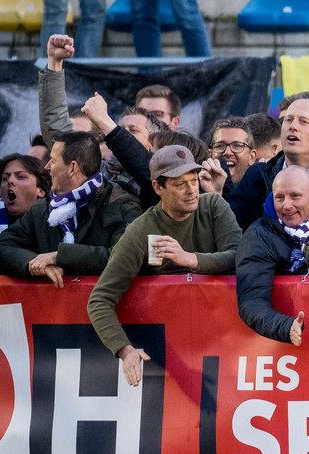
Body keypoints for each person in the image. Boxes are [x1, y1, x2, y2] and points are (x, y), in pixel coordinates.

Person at [88, 145, 241, 386]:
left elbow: (239, 258)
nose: (192, 190)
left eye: (193, 180)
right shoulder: (140, 230)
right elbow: (99, 300)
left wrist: (191, 259)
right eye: (180, 184)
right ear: (158, 188)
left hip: (226, 340)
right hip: (168, 354)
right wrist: (125, 350)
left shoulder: (212, 205)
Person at [0, 130, 139, 285]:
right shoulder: (42, 210)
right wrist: (33, 264)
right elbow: (0, 247)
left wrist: (60, 256)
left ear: (72, 168)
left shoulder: (123, 205)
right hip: (53, 307)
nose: (46, 167)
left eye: (52, 161)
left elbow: (126, 257)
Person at [227, 97, 309, 230]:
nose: (293, 127)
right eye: (288, 120)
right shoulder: (257, 176)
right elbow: (230, 231)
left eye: (303, 122)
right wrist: (218, 191)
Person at [235, 166, 309, 345]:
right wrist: (287, 327)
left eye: (295, 196)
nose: (286, 205)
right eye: (279, 197)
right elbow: (251, 301)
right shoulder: (259, 235)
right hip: (283, 344)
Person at [205, 116, 259, 195]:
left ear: (252, 157)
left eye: (237, 145)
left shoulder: (262, 195)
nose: (227, 152)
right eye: (220, 146)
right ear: (210, 155)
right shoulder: (195, 194)